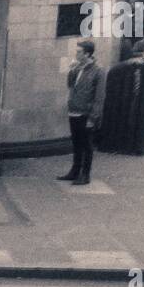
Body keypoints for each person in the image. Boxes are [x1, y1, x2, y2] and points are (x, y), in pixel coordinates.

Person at [58, 39, 106, 185]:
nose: (76, 54)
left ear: (87, 54)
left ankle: (85, 175)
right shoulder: (78, 67)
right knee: (76, 143)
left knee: (86, 145)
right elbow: (70, 85)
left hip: (86, 113)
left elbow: (99, 97)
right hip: (74, 111)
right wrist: (71, 70)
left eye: (79, 52)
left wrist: (93, 117)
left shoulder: (98, 71)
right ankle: (74, 171)